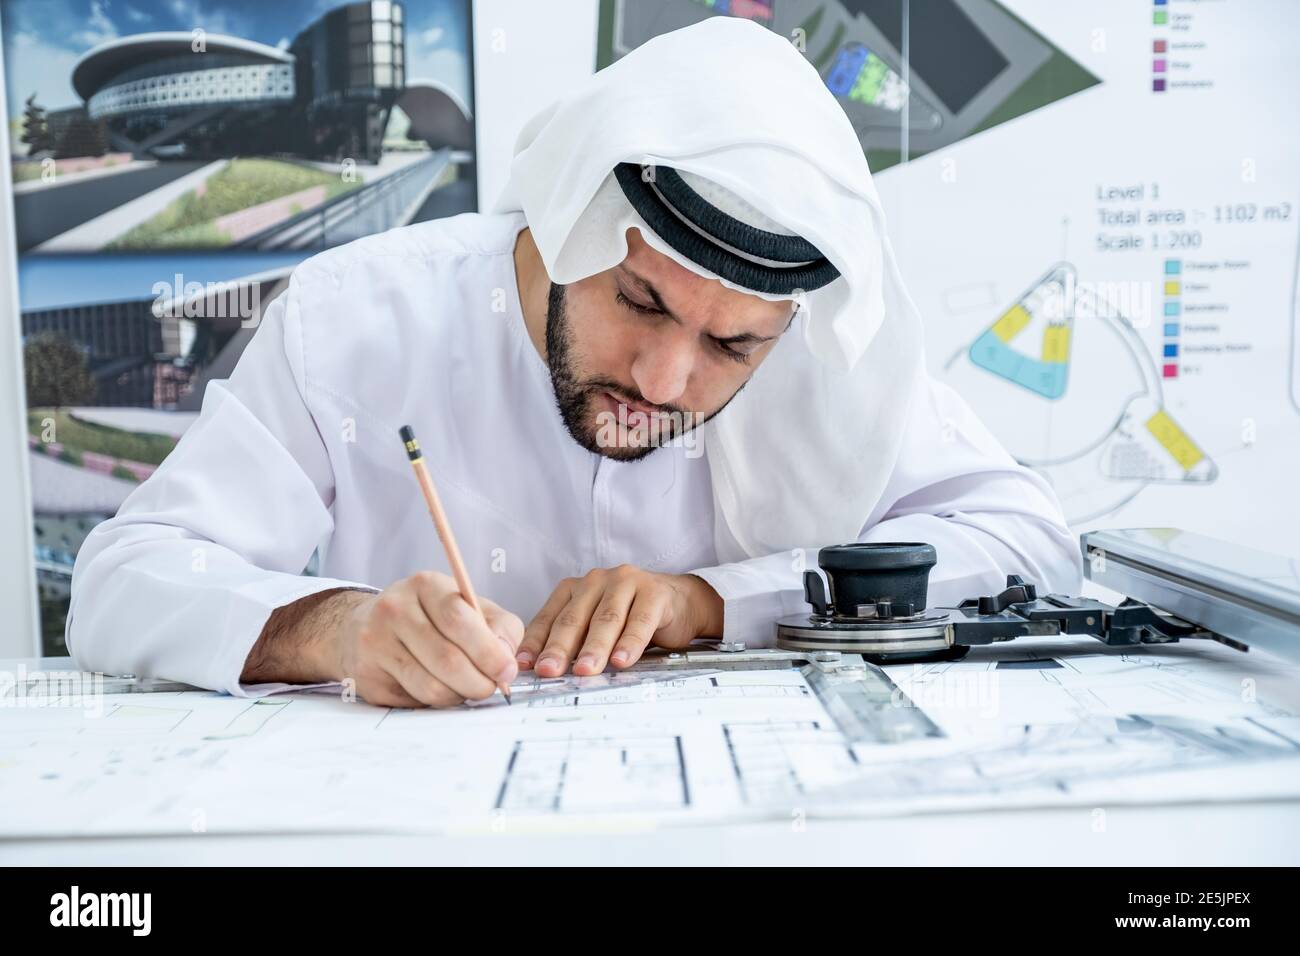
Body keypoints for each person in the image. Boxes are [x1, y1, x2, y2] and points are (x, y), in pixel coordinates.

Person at [67, 18, 1080, 707]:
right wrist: (334, 629)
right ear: (561, 228)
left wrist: (713, 600)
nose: (664, 382)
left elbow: (1029, 541)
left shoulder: (821, 355)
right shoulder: (357, 315)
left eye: (730, 345)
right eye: (638, 300)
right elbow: (121, 584)